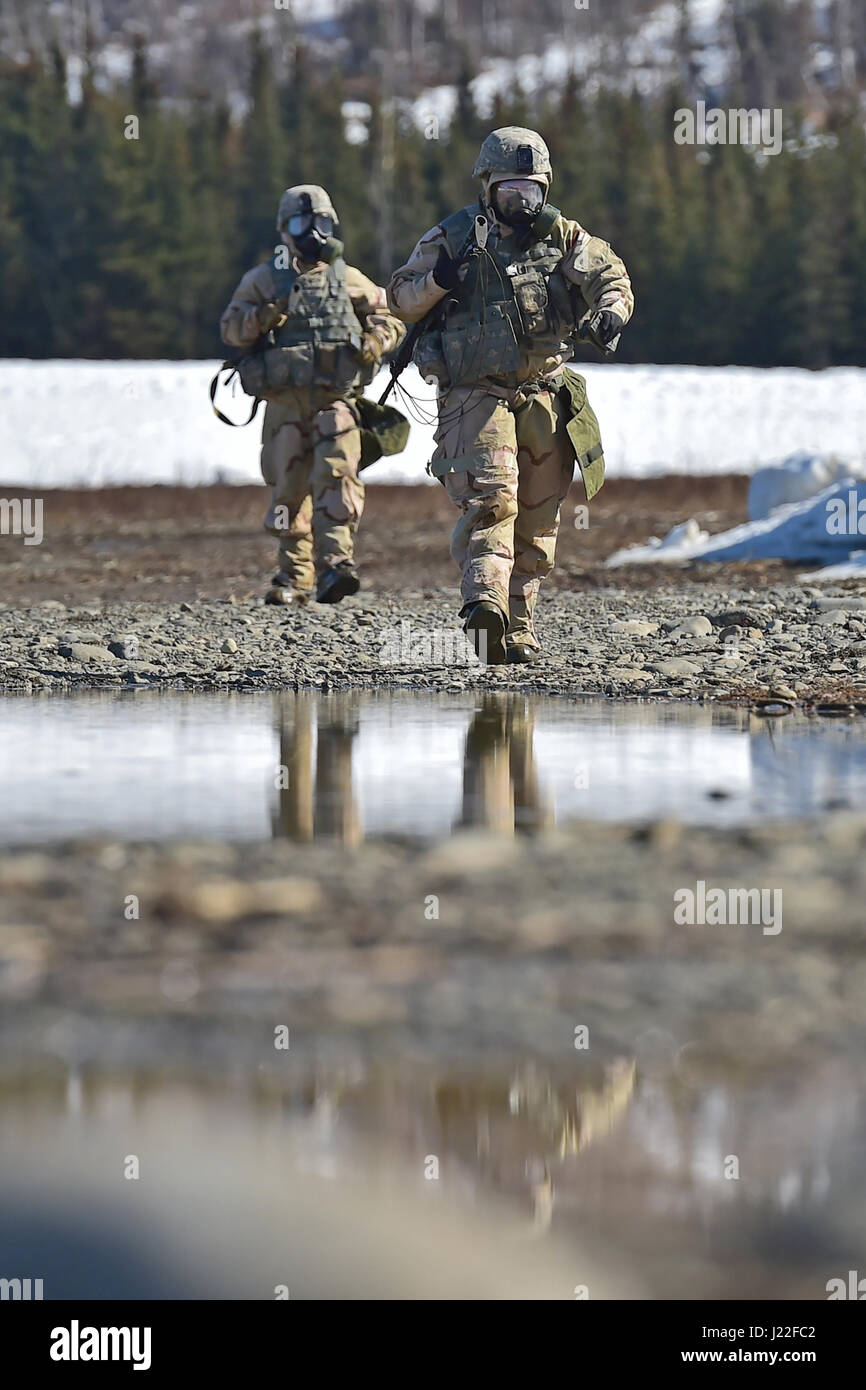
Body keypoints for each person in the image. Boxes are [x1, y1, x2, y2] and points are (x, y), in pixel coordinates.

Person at [388, 128, 633, 662]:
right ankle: (485, 604)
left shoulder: (564, 237)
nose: (521, 204)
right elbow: (401, 299)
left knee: (539, 516)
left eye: (531, 192)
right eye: (509, 192)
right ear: (487, 188)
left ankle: (517, 627)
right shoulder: (453, 237)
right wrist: (441, 280)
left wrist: (610, 312)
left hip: (544, 391)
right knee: (492, 500)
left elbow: (611, 276)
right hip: (475, 394)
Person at [220, 184, 405, 605]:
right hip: (285, 405)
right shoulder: (265, 280)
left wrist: (376, 339)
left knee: (337, 479)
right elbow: (230, 329)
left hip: (335, 402)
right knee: (288, 488)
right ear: (285, 230)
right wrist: (263, 316)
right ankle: (295, 575)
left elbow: (391, 317)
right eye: (304, 224)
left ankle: (336, 565)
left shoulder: (347, 278)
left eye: (321, 223)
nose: (313, 234)